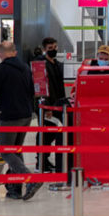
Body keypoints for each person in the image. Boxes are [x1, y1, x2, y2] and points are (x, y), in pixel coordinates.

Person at [0, 41, 43, 200]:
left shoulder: (0, 69)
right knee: (15, 150)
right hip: (26, 115)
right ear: (14, 52)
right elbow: (31, 91)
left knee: (5, 150)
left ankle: (30, 179)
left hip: (10, 116)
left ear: (0, 54)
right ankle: (15, 190)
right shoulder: (26, 68)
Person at [32, 37, 66, 172]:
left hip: (57, 104)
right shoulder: (40, 64)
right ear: (44, 49)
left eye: (55, 47)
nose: (54, 50)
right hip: (46, 106)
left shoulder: (57, 64)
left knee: (53, 133)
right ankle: (40, 161)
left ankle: (44, 159)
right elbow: (39, 86)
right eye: (50, 48)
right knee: (45, 134)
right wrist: (45, 107)